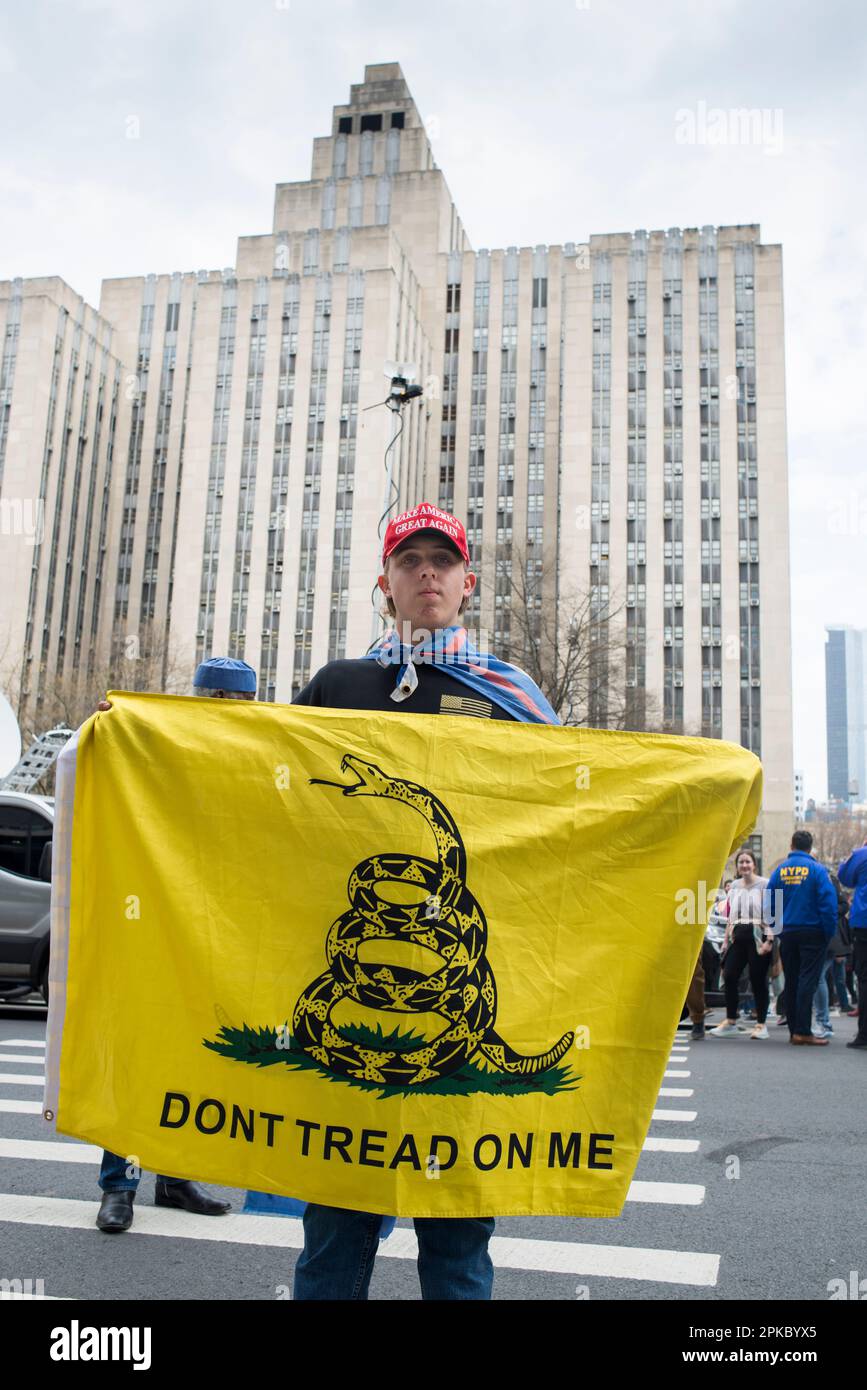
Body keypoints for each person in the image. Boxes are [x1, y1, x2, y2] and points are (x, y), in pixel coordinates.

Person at [289, 501, 560, 1301]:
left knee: (457, 1253)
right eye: (411, 562)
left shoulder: (511, 695)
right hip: (350, 1014)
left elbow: (572, 809)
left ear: (467, 583)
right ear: (386, 583)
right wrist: (133, 742)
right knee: (332, 1246)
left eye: (442, 561)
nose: (428, 573)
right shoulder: (336, 686)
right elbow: (262, 799)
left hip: (465, 995)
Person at [93, 656, 256, 1232]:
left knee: (196, 1058)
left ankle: (175, 1177)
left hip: (215, 936)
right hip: (155, 928)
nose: (222, 712)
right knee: (141, 1060)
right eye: (212, 699)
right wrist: (111, 725)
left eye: (234, 703)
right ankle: (120, 1185)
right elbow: (103, 765)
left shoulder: (256, 762)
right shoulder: (158, 746)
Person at [764, 830, 838, 1046]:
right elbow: (828, 904)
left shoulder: (779, 871)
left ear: (791, 845)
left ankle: (794, 1029)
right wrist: (828, 932)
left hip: (788, 933)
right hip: (813, 932)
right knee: (808, 980)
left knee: (793, 980)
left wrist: (777, 930)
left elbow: (770, 903)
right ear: (810, 847)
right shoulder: (817, 870)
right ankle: (803, 1031)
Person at [709, 849, 773, 1040]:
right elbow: (731, 916)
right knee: (729, 975)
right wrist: (726, 941)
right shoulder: (734, 886)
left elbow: (772, 914)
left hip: (757, 936)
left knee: (758, 980)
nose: (744, 865)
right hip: (738, 935)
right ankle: (730, 1021)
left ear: (754, 864)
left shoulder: (766, 884)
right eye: (741, 862)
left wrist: (769, 940)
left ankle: (761, 1024)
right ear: (737, 866)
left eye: (748, 862)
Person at [838, 836, 867, 1050]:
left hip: (864, 924)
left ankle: (864, 1034)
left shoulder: (861, 855)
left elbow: (845, 877)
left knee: (864, 977)